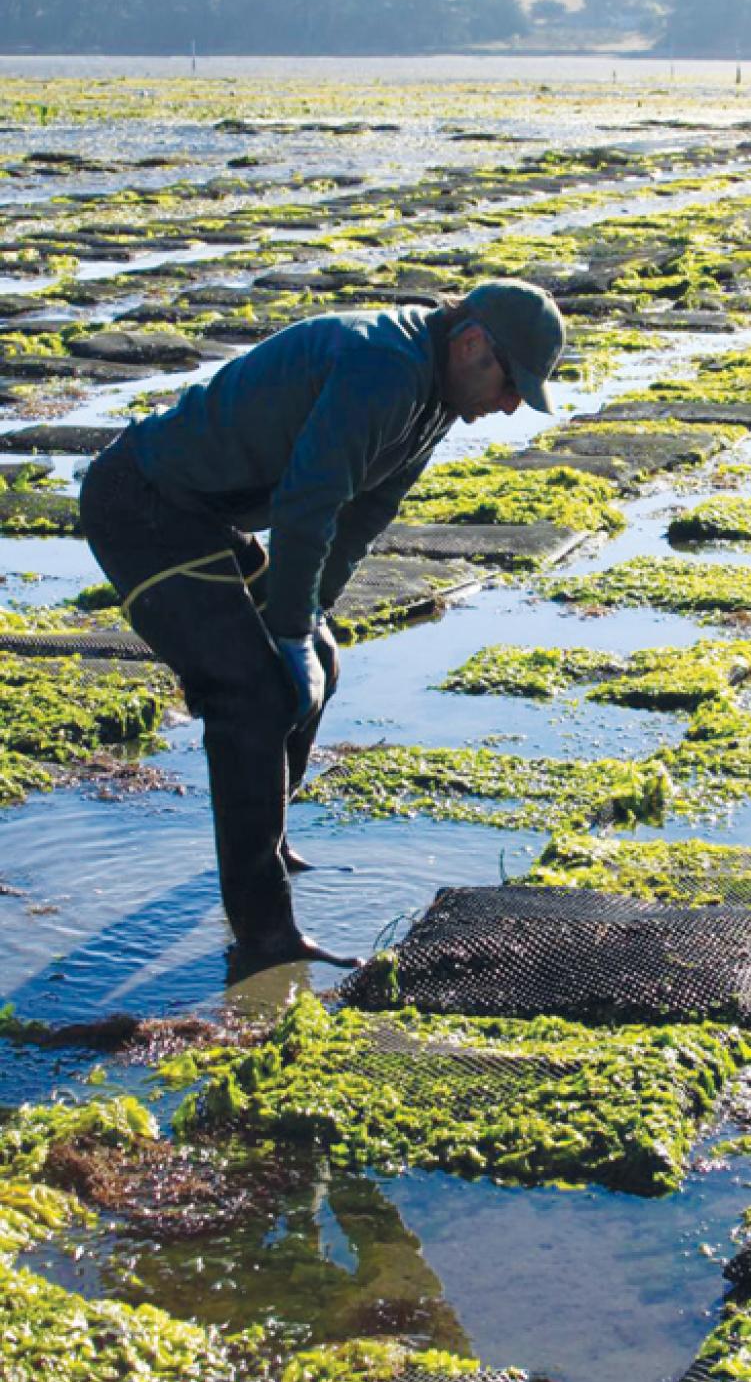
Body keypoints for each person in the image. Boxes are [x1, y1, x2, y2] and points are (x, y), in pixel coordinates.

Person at [79, 279, 565, 972]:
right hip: (143, 505)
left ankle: (265, 835)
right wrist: (287, 633)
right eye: (511, 382)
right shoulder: (384, 367)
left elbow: (363, 515)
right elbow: (308, 504)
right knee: (251, 698)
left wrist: (310, 624)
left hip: (202, 515)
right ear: (471, 343)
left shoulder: (438, 398)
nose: (511, 404)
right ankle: (265, 935)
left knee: (321, 662)